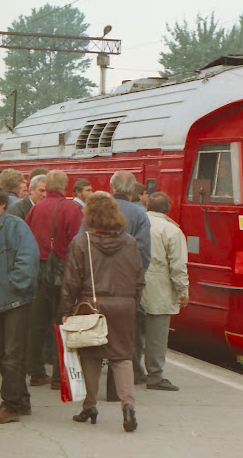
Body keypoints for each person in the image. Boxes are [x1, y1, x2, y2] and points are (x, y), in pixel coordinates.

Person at [59, 193, 145, 432]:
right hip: (124, 306)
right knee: (122, 356)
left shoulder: (81, 242)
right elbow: (139, 280)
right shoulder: (130, 242)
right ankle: (128, 404)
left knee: (91, 355)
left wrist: (66, 310)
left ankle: (90, 406)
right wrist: (131, 304)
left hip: (91, 306)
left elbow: (71, 281)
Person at [0, 184, 40, 424]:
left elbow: (28, 258)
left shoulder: (16, 227)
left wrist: (14, 286)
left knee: (12, 355)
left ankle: (10, 405)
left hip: (14, 301)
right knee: (4, 355)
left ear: (3, 204)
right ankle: (21, 400)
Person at [25, 170, 83, 389]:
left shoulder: (36, 208)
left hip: (38, 268)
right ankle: (60, 375)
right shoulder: (72, 208)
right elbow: (77, 241)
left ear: (47, 186)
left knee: (37, 322)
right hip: (61, 270)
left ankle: (36, 371)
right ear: (66, 186)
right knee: (61, 322)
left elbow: (26, 235)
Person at [106, 171, 151, 385]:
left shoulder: (97, 210)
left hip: (96, 284)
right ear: (132, 190)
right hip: (126, 286)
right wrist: (136, 281)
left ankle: (91, 389)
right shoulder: (139, 215)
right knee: (125, 332)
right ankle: (123, 378)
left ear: (111, 187)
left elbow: (80, 245)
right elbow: (144, 254)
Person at [141, 192, 189, 391]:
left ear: (148, 206)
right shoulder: (171, 231)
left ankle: (134, 371)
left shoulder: (138, 223)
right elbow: (178, 266)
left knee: (135, 332)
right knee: (157, 336)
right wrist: (183, 291)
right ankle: (155, 376)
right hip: (159, 288)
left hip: (135, 284)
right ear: (168, 207)